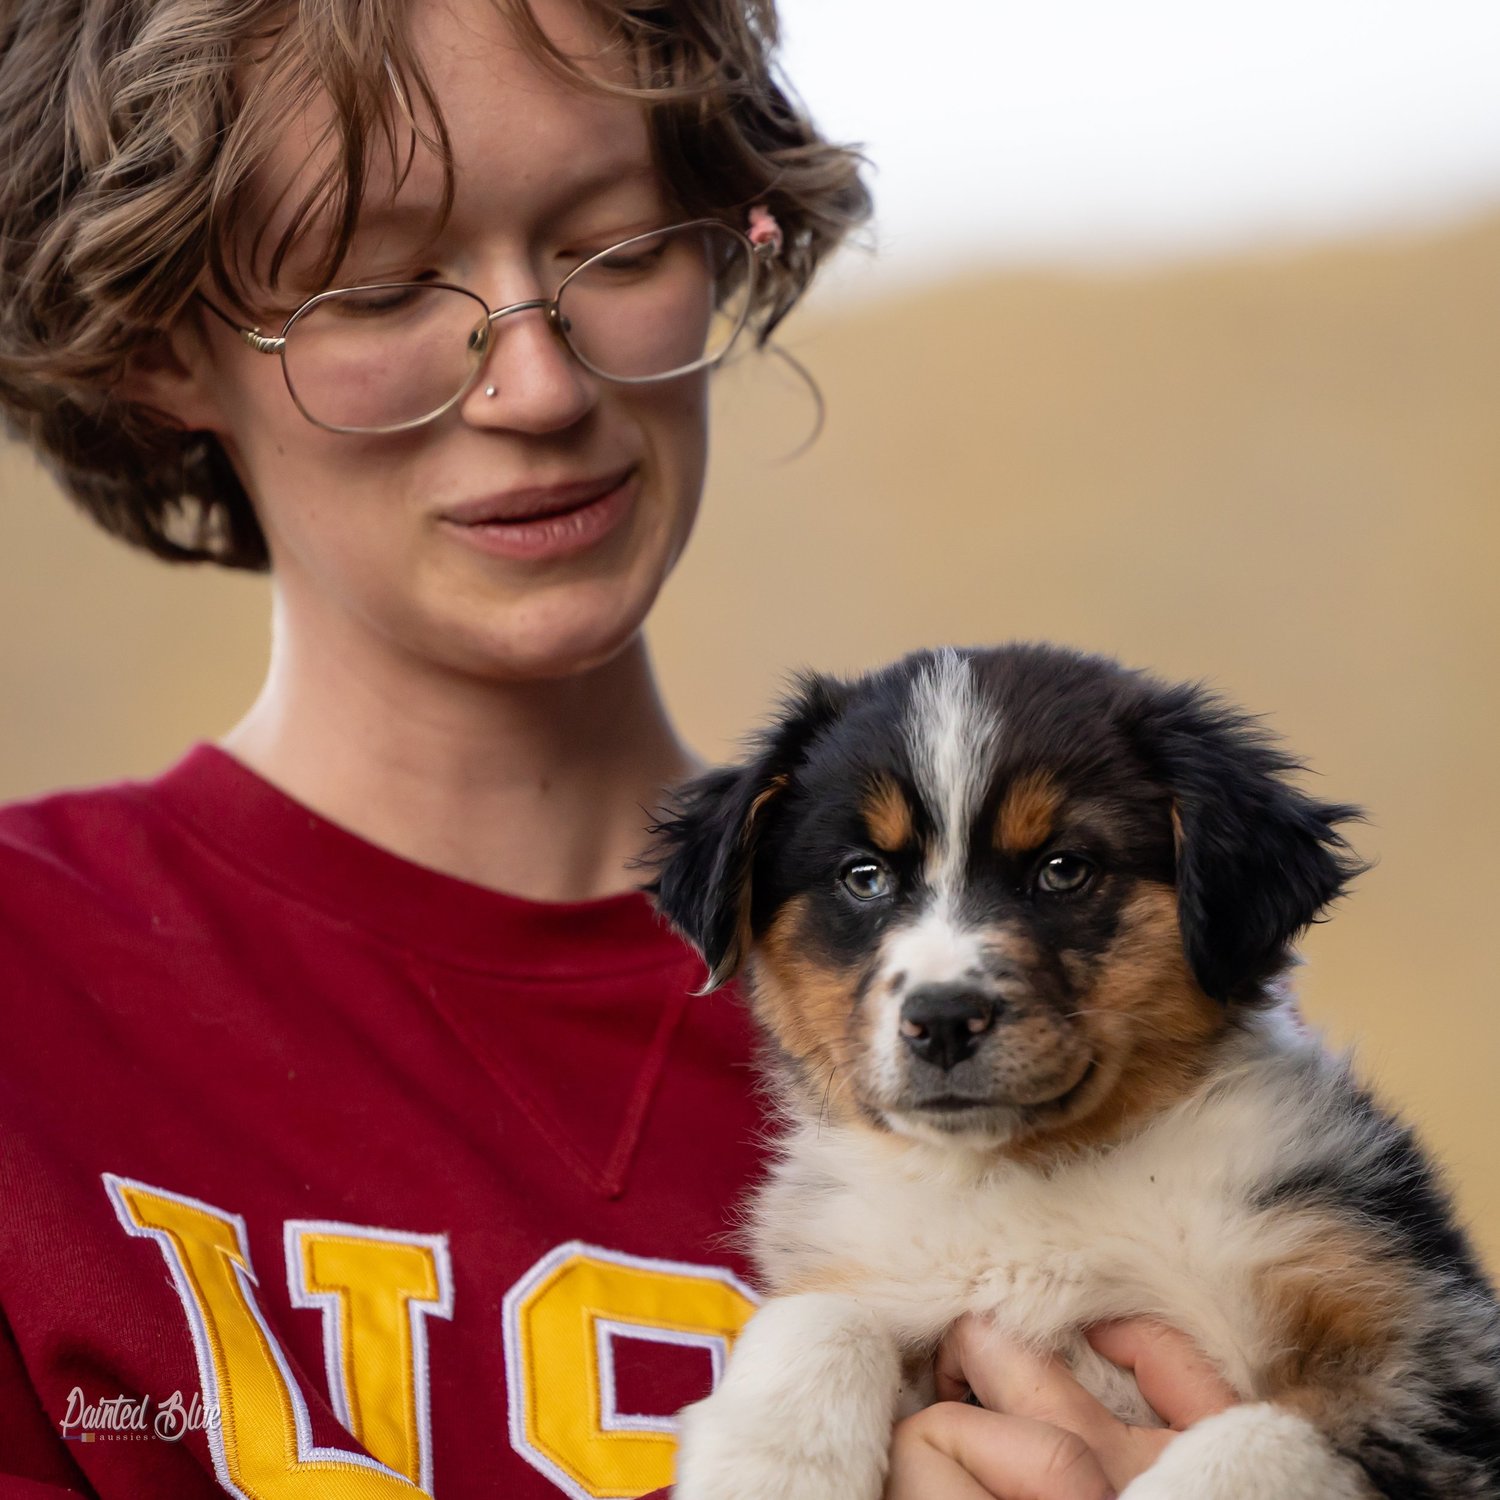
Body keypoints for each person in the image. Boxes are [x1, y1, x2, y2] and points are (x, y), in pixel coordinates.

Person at [0, 0, 1237, 1495]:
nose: (542, 386)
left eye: (621, 247)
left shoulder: (1111, 1016)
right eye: (381, 289)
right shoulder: (37, 995)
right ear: (154, 341)